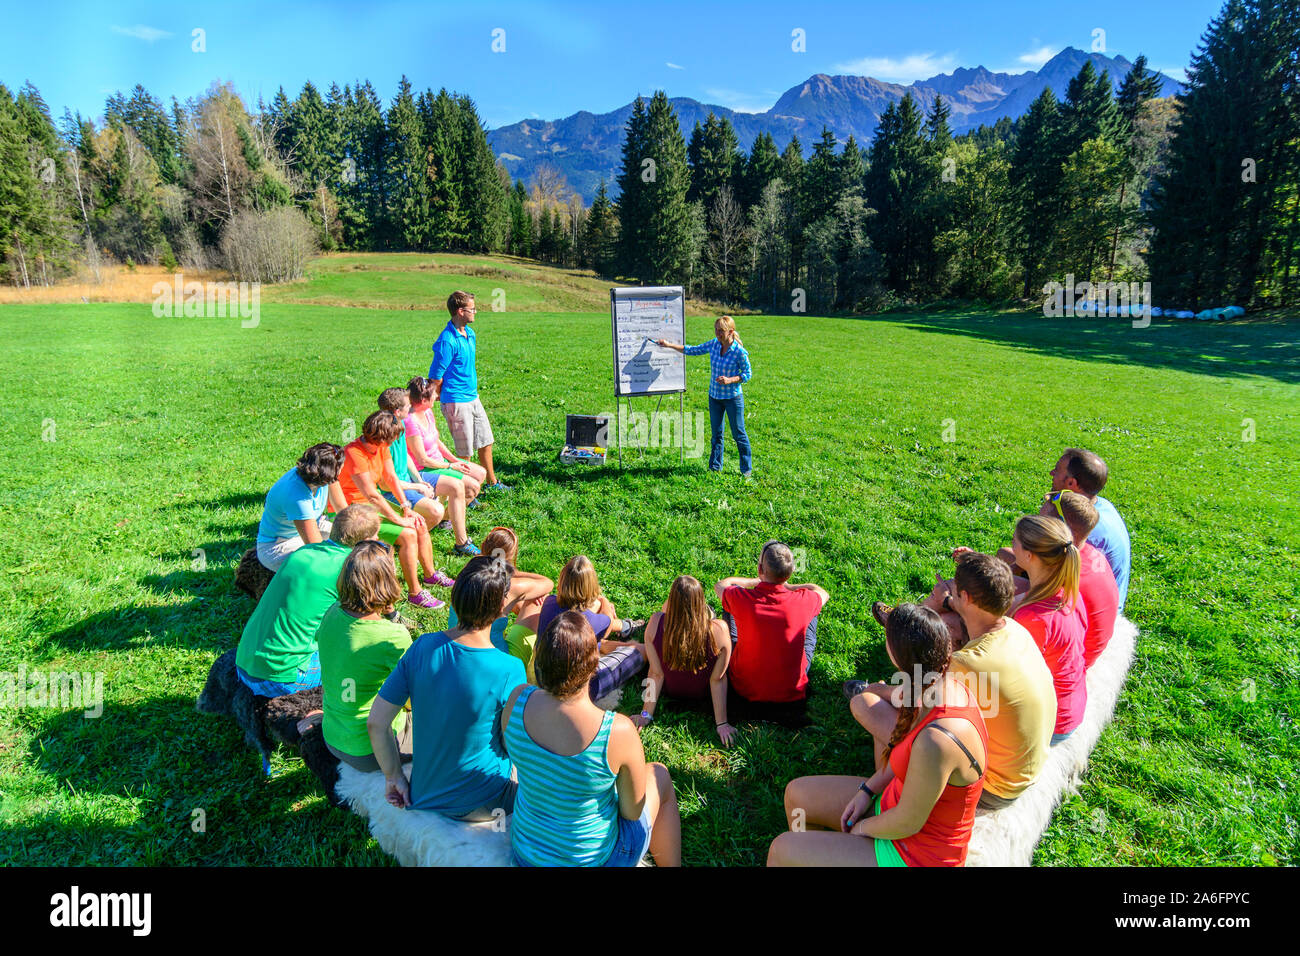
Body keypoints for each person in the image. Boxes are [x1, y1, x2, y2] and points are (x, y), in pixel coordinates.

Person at [768, 603, 987, 867]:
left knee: (781, 849)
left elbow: (908, 821)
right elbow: (902, 759)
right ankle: (811, 853)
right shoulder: (932, 683)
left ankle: (806, 853)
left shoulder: (938, 739)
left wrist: (861, 829)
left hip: (913, 854)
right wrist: (867, 789)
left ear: (895, 655)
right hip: (892, 807)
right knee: (796, 795)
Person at [851, 553, 1054, 810]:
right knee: (947, 624)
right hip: (1022, 772)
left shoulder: (965, 664)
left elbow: (903, 697)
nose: (951, 594)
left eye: (955, 591)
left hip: (990, 786)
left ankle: (890, 794)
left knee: (864, 703)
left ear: (966, 598)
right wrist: (945, 601)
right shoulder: (1014, 629)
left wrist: (874, 688)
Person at [502, 611, 682, 866]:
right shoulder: (615, 731)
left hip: (527, 853)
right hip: (593, 860)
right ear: (593, 665)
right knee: (659, 775)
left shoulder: (517, 700)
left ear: (541, 660)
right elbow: (631, 812)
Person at [367, 555, 526, 820]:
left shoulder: (421, 647)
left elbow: (376, 723)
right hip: (485, 799)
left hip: (424, 794)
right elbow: (512, 743)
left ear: (454, 599)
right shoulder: (510, 668)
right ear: (502, 608)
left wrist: (394, 777)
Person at [235, 504, 381, 697]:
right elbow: (364, 626)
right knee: (365, 661)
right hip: (282, 678)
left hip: (243, 663)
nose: (379, 540)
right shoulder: (351, 569)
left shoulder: (303, 552)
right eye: (376, 536)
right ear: (366, 540)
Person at [336, 410, 451, 609]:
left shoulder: (380, 448)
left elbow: (389, 478)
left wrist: (406, 507)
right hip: (353, 511)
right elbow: (372, 495)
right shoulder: (354, 453)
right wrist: (398, 520)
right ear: (381, 438)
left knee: (418, 523)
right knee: (407, 534)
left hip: (372, 505)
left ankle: (430, 575)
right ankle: (415, 593)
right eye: (392, 440)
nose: (393, 443)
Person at [317, 540, 413, 772]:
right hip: (372, 750)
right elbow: (416, 696)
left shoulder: (331, 612)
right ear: (387, 581)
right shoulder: (393, 637)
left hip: (332, 735)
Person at [716, 540, 828, 710]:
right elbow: (821, 592)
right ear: (790, 572)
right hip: (791, 693)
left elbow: (722, 585)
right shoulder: (803, 600)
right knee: (812, 613)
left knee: (729, 604)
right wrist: (789, 586)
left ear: (760, 569)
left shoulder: (742, 599)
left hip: (743, 689)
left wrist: (757, 581)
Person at [1009, 514, 1087, 746]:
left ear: (1029, 555)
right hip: (1072, 706)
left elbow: (1008, 681)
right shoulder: (1069, 591)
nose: (1011, 545)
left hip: (1051, 723)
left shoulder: (1032, 619)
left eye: (1014, 542)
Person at [378, 385, 479, 556]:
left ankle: (461, 543)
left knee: (456, 486)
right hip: (394, 491)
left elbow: (406, 457)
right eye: (407, 404)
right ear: (397, 411)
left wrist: (419, 480)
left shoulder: (400, 424)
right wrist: (417, 487)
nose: (411, 406)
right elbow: (387, 485)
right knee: (436, 511)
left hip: (409, 481)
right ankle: (401, 544)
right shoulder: (382, 437)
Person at [635, 575, 736, 746]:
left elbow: (655, 673)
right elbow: (717, 679)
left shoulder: (655, 622)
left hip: (670, 691)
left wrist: (645, 714)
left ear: (671, 599)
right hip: (703, 695)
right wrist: (722, 723)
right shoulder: (719, 629)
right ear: (701, 602)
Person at [535, 555, 647, 703]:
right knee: (641, 651)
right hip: (579, 690)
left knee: (596, 642)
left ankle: (626, 628)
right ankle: (629, 632)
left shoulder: (549, 603)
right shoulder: (593, 621)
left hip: (543, 678)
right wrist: (603, 601)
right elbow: (608, 620)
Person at [429, 290, 509, 492]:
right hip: (456, 400)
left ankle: (492, 483)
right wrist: (438, 399)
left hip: (473, 397)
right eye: (472, 309)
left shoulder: (470, 334)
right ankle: (467, 492)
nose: (475, 312)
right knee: (465, 453)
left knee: (486, 441)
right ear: (460, 311)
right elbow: (436, 377)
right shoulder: (447, 341)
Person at [447, 526, 553, 676]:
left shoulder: (468, 571)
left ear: (483, 546)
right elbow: (547, 584)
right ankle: (532, 665)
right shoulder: (512, 587)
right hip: (496, 663)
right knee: (537, 601)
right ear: (509, 557)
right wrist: (514, 572)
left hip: (454, 647)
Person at [658, 315, 753, 477]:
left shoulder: (739, 352)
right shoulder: (714, 344)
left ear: (731, 332)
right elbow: (693, 350)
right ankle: (715, 468)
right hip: (715, 397)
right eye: (716, 330)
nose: (717, 334)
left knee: (739, 433)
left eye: (721, 331)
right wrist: (669, 345)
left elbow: (748, 374)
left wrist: (730, 380)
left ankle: (746, 470)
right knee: (716, 434)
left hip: (732, 398)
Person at [1050, 447, 1131, 610]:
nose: (1052, 473)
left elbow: (1056, 578)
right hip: (1092, 595)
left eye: (1057, 469)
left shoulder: (1083, 528)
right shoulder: (1100, 505)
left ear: (1071, 483)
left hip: (1091, 610)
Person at [255, 443, 348, 572]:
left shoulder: (324, 476)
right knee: (326, 566)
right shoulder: (296, 495)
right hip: (278, 545)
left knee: (349, 541)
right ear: (332, 471)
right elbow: (316, 547)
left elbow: (343, 510)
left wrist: (360, 534)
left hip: (312, 526)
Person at [405, 375, 485, 497]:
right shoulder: (410, 422)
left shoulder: (427, 412)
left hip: (439, 462)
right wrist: (450, 466)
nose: (437, 396)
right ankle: (449, 511)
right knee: (473, 486)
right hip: (425, 469)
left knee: (481, 473)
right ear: (423, 401)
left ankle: (455, 503)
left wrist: (454, 459)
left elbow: (436, 441)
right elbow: (423, 460)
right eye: (434, 394)